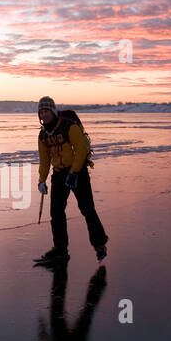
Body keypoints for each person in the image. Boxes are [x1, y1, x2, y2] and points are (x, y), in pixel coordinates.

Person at [34, 96, 108, 265]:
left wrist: (74, 172)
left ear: (53, 111)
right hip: (59, 174)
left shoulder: (69, 126)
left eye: (46, 111)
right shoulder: (43, 134)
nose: (43, 115)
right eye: (41, 112)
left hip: (77, 173)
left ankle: (100, 244)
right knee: (56, 213)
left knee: (87, 208)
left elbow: (81, 149)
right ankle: (60, 250)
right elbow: (44, 159)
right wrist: (41, 180)